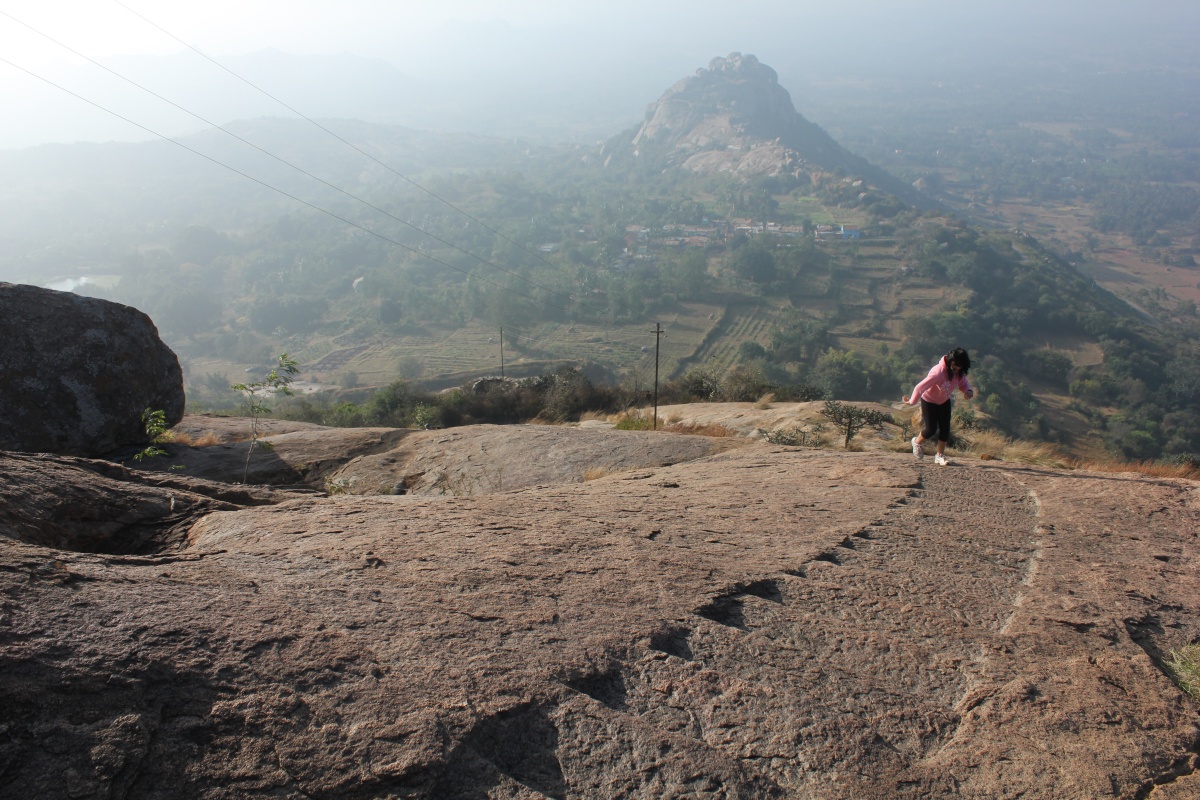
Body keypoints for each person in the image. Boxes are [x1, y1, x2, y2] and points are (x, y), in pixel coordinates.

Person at [903, 347, 974, 466]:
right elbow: (920, 387)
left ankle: (939, 455)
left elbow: (963, 383)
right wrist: (911, 401)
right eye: (955, 365)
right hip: (929, 401)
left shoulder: (958, 373)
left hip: (944, 401)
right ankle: (916, 442)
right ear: (951, 361)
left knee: (945, 429)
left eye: (960, 366)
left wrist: (968, 390)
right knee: (931, 430)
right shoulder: (938, 372)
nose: (957, 368)